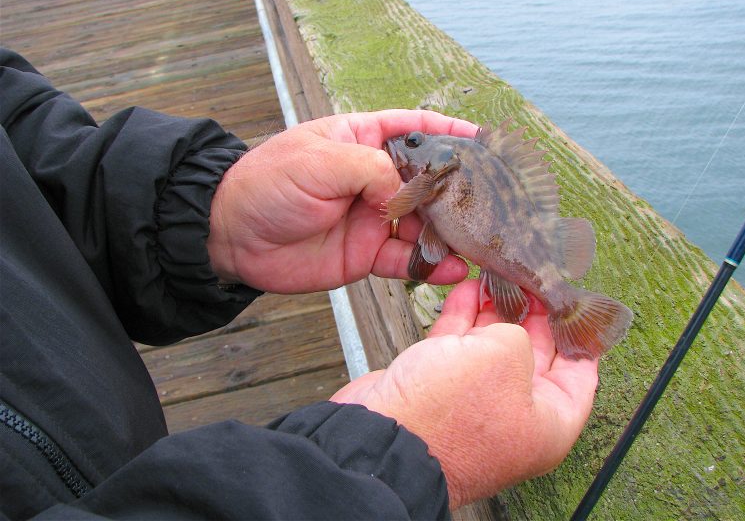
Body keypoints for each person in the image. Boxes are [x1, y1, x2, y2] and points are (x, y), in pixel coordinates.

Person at [0, 46, 599, 520]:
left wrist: (211, 212)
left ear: (436, 163)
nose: (403, 148)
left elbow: (22, 141)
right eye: (410, 143)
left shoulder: (438, 175)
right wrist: (396, 460)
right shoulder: (434, 174)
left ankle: (571, 308)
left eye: (413, 146)